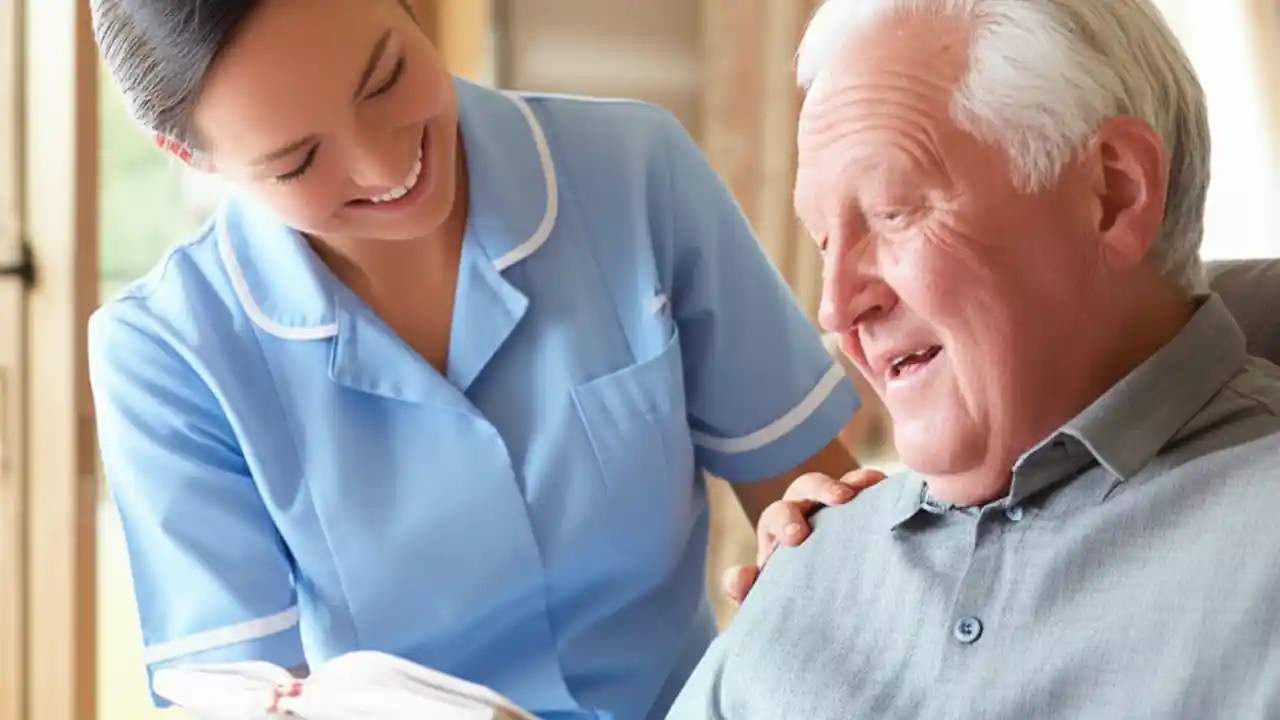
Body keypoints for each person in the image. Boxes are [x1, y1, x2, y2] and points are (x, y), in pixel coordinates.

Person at [86, 1, 873, 717]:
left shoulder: (634, 171)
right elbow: (238, 696)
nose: (383, 165)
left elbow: (815, 509)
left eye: (386, 77)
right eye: (296, 161)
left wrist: (819, 532)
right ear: (190, 159)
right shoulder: (164, 353)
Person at [669, 0, 1280, 717]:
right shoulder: (812, 558)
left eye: (893, 213)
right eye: (824, 242)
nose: (835, 308)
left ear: (1113, 193)